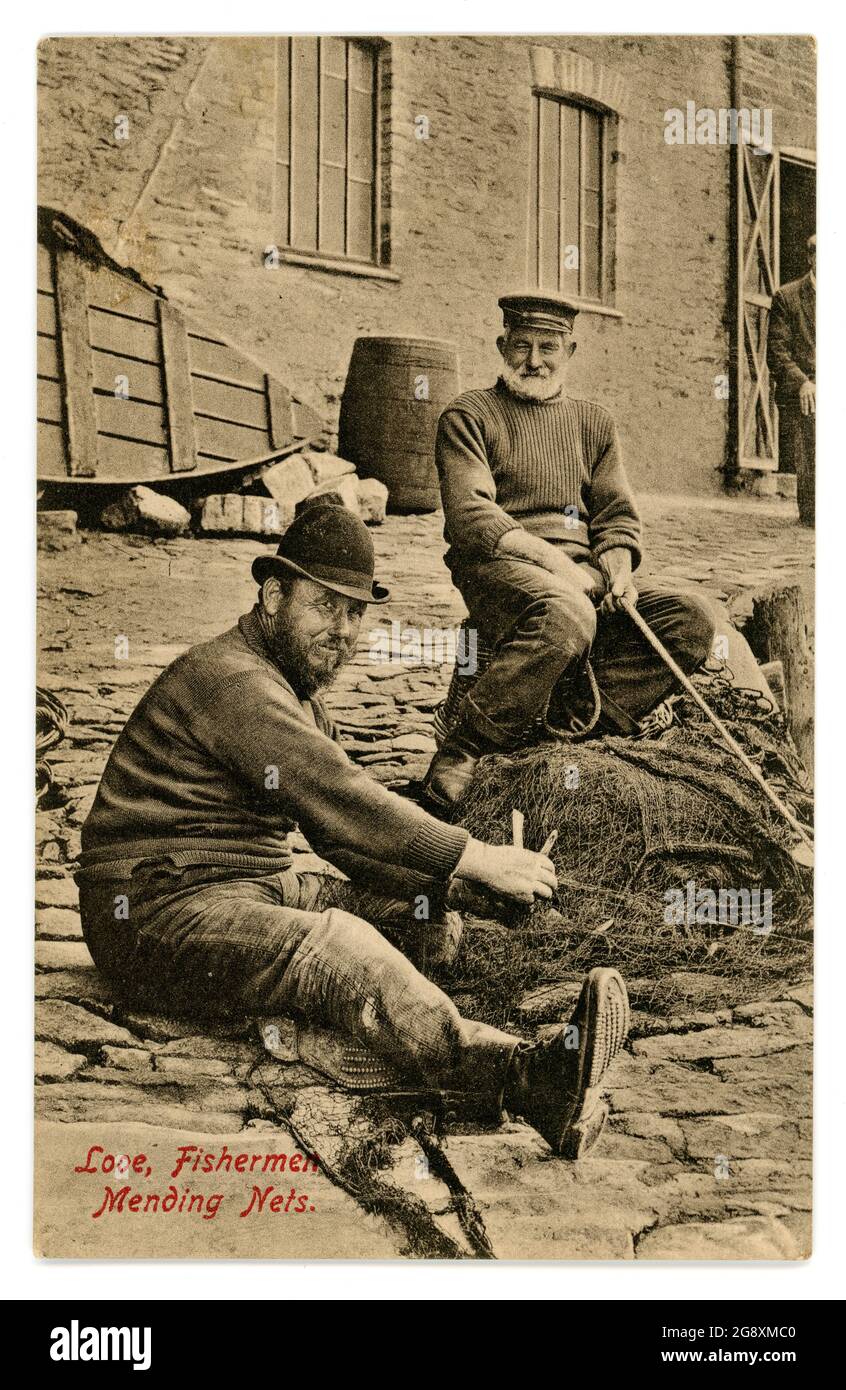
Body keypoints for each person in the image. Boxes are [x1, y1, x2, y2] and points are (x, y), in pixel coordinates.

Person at [76, 503, 629, 1158]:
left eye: (356, 612)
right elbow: (347, 800)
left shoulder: (297, 693)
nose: (342, 631)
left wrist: (454, 888)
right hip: (152, 914)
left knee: (417, 912)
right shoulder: (233, 682)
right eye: (326, 607)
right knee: (335, 946)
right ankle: (526, 1081)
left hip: (251, 887)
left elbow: (341, 841)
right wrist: (474, 857)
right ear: (274, 595)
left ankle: (396, 1014)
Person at [424, 290, 757, 808]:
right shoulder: (468, 415)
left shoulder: (593, 422)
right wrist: (562, 567)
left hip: (583, 576)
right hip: (500, 565)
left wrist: (617, 569)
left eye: (549, 347)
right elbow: (471, 517)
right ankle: (466, 745)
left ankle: (575, 726)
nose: (534, 360)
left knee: (690, 619)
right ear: (501, 344)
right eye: (522, 346)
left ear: (571, 352)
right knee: (568, 614)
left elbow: (616, 516)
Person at [767, 234, 815, 527]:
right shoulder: (787, 297)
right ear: (811, 259)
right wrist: (803, 382)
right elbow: (777, 351)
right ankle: (814, 511)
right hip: (804, 388)